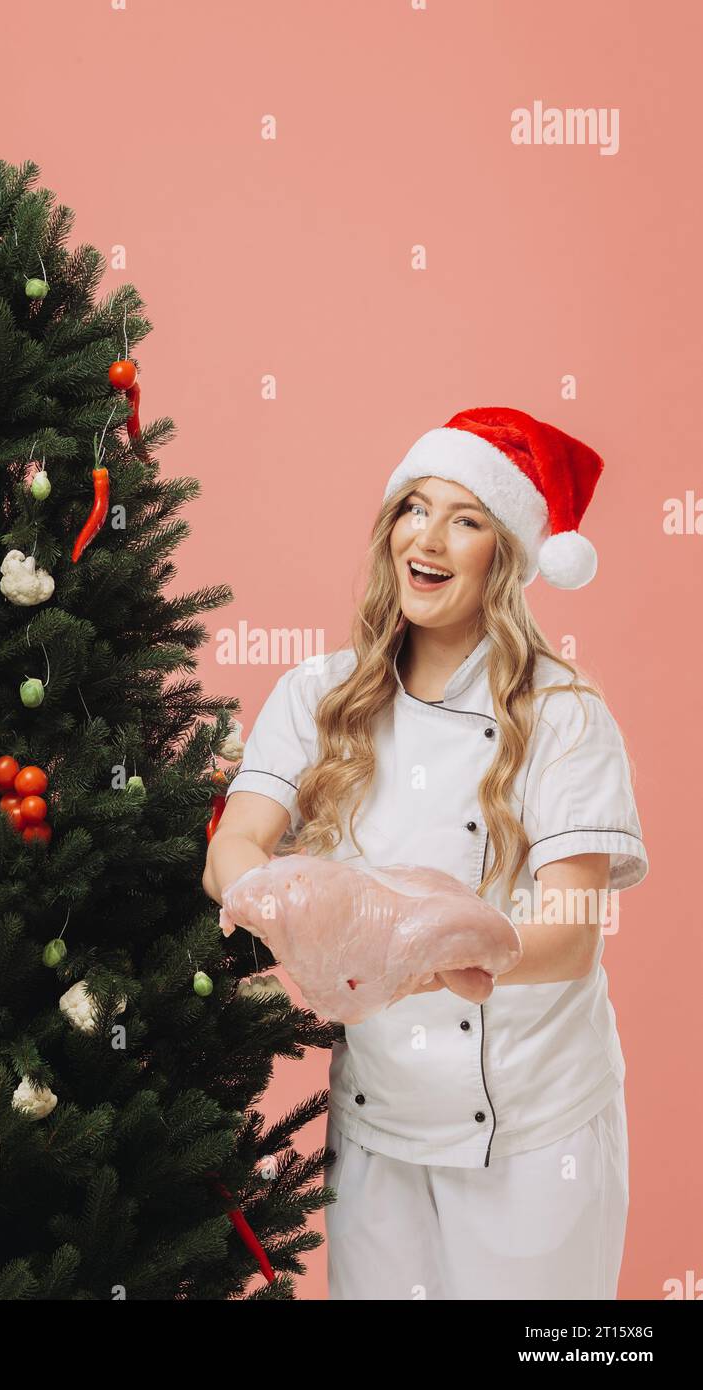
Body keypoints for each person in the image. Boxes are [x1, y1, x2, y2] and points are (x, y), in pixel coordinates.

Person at [202, 406, 648, 1301]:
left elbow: (571, 930)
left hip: (534, 1129)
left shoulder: (563, 714)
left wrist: (437, 947)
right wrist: (287, 915)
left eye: (468, 518)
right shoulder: (317, 694)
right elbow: (236, 842)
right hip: (378, 1125)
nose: (430, 537)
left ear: (509, 555)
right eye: (415, 507)